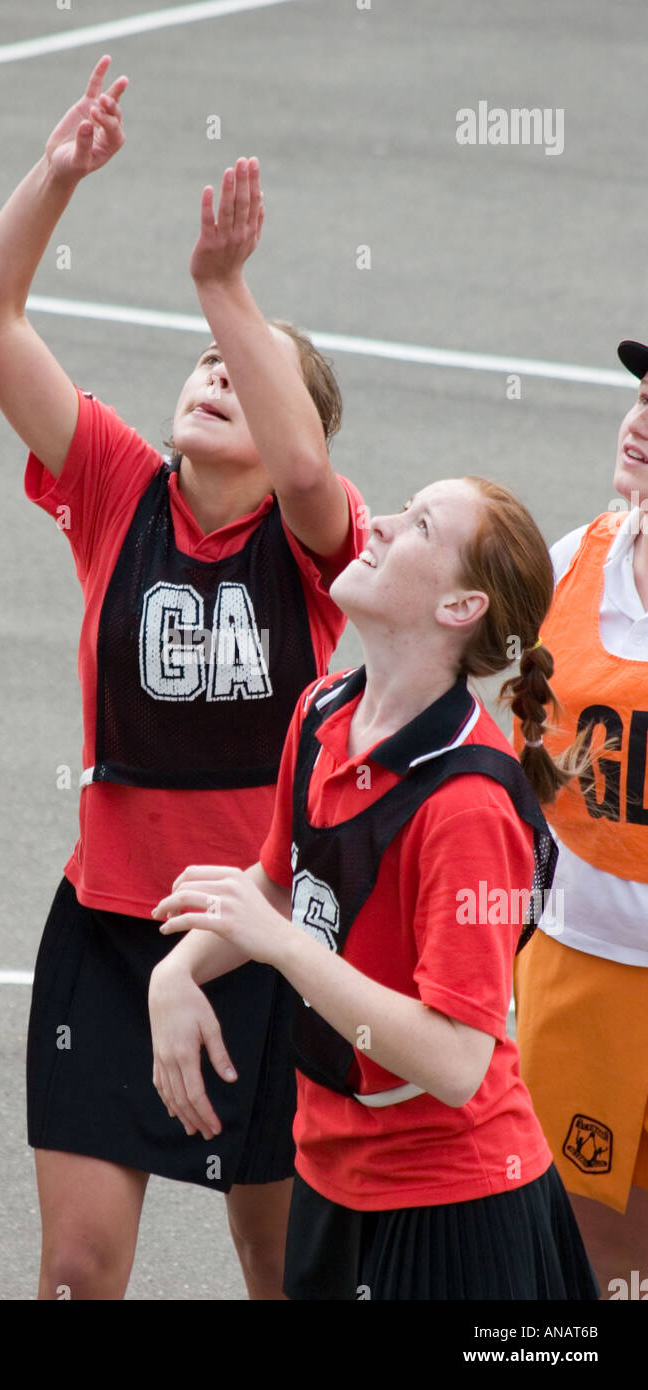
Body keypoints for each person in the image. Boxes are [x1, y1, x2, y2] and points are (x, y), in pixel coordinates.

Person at [0, 56, 366, 1300]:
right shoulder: (116, 487)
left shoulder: (312, 537)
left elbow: (299, 459)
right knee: (77, 1274)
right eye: (202, 358)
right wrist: (58, 173)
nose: (213, 373)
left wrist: (223, 283)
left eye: (243, 367)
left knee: (277, 1267)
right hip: (110, 933)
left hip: (267, 940)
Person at [150, 475, 598, 1300]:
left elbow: (457, 1061)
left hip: (456, 1207)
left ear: (461, 607)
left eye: (420, 524)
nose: (382, 524)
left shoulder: (466, 804)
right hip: (329, 1171)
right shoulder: (323, 712)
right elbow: (285, 889)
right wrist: (175, 972)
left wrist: (279, 948)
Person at [513, 339, 648, 1298]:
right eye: (642, 396)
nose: (639, 421)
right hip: (579, 968)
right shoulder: (570, 564)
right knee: (597, 1266)